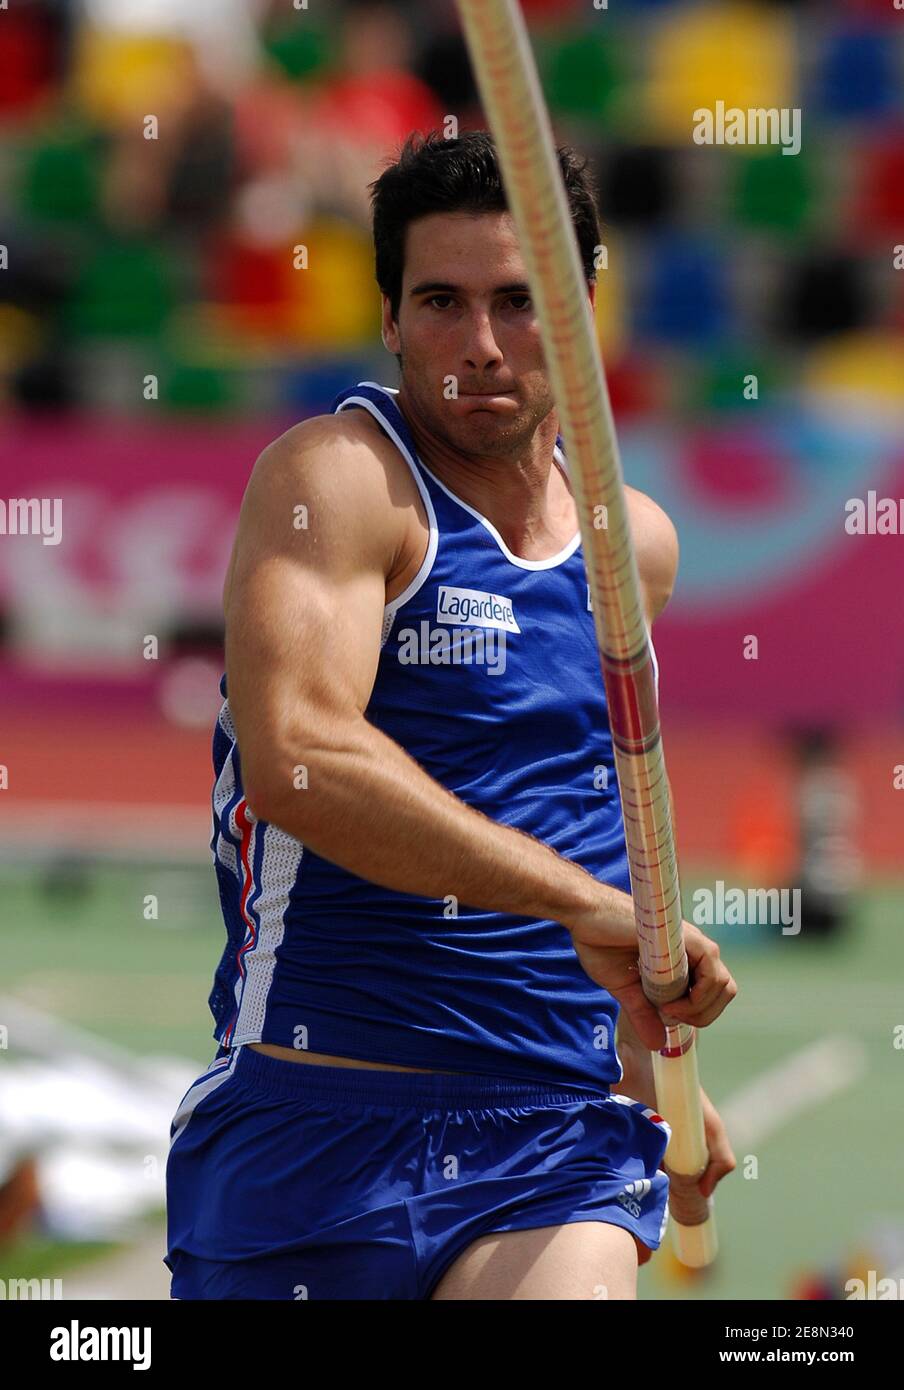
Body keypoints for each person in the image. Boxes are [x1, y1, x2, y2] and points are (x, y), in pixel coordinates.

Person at [165, 130, 737, 1301]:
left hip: (549, 1135)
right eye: (440, 301)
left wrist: (649, 1063)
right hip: (309, 1121)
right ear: (386, 318)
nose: (479, 347)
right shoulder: (337, 481)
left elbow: (584, 809)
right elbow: (300, 763)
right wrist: (586, 904)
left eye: (519, 303)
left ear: (582, 311)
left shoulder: (636, 551)